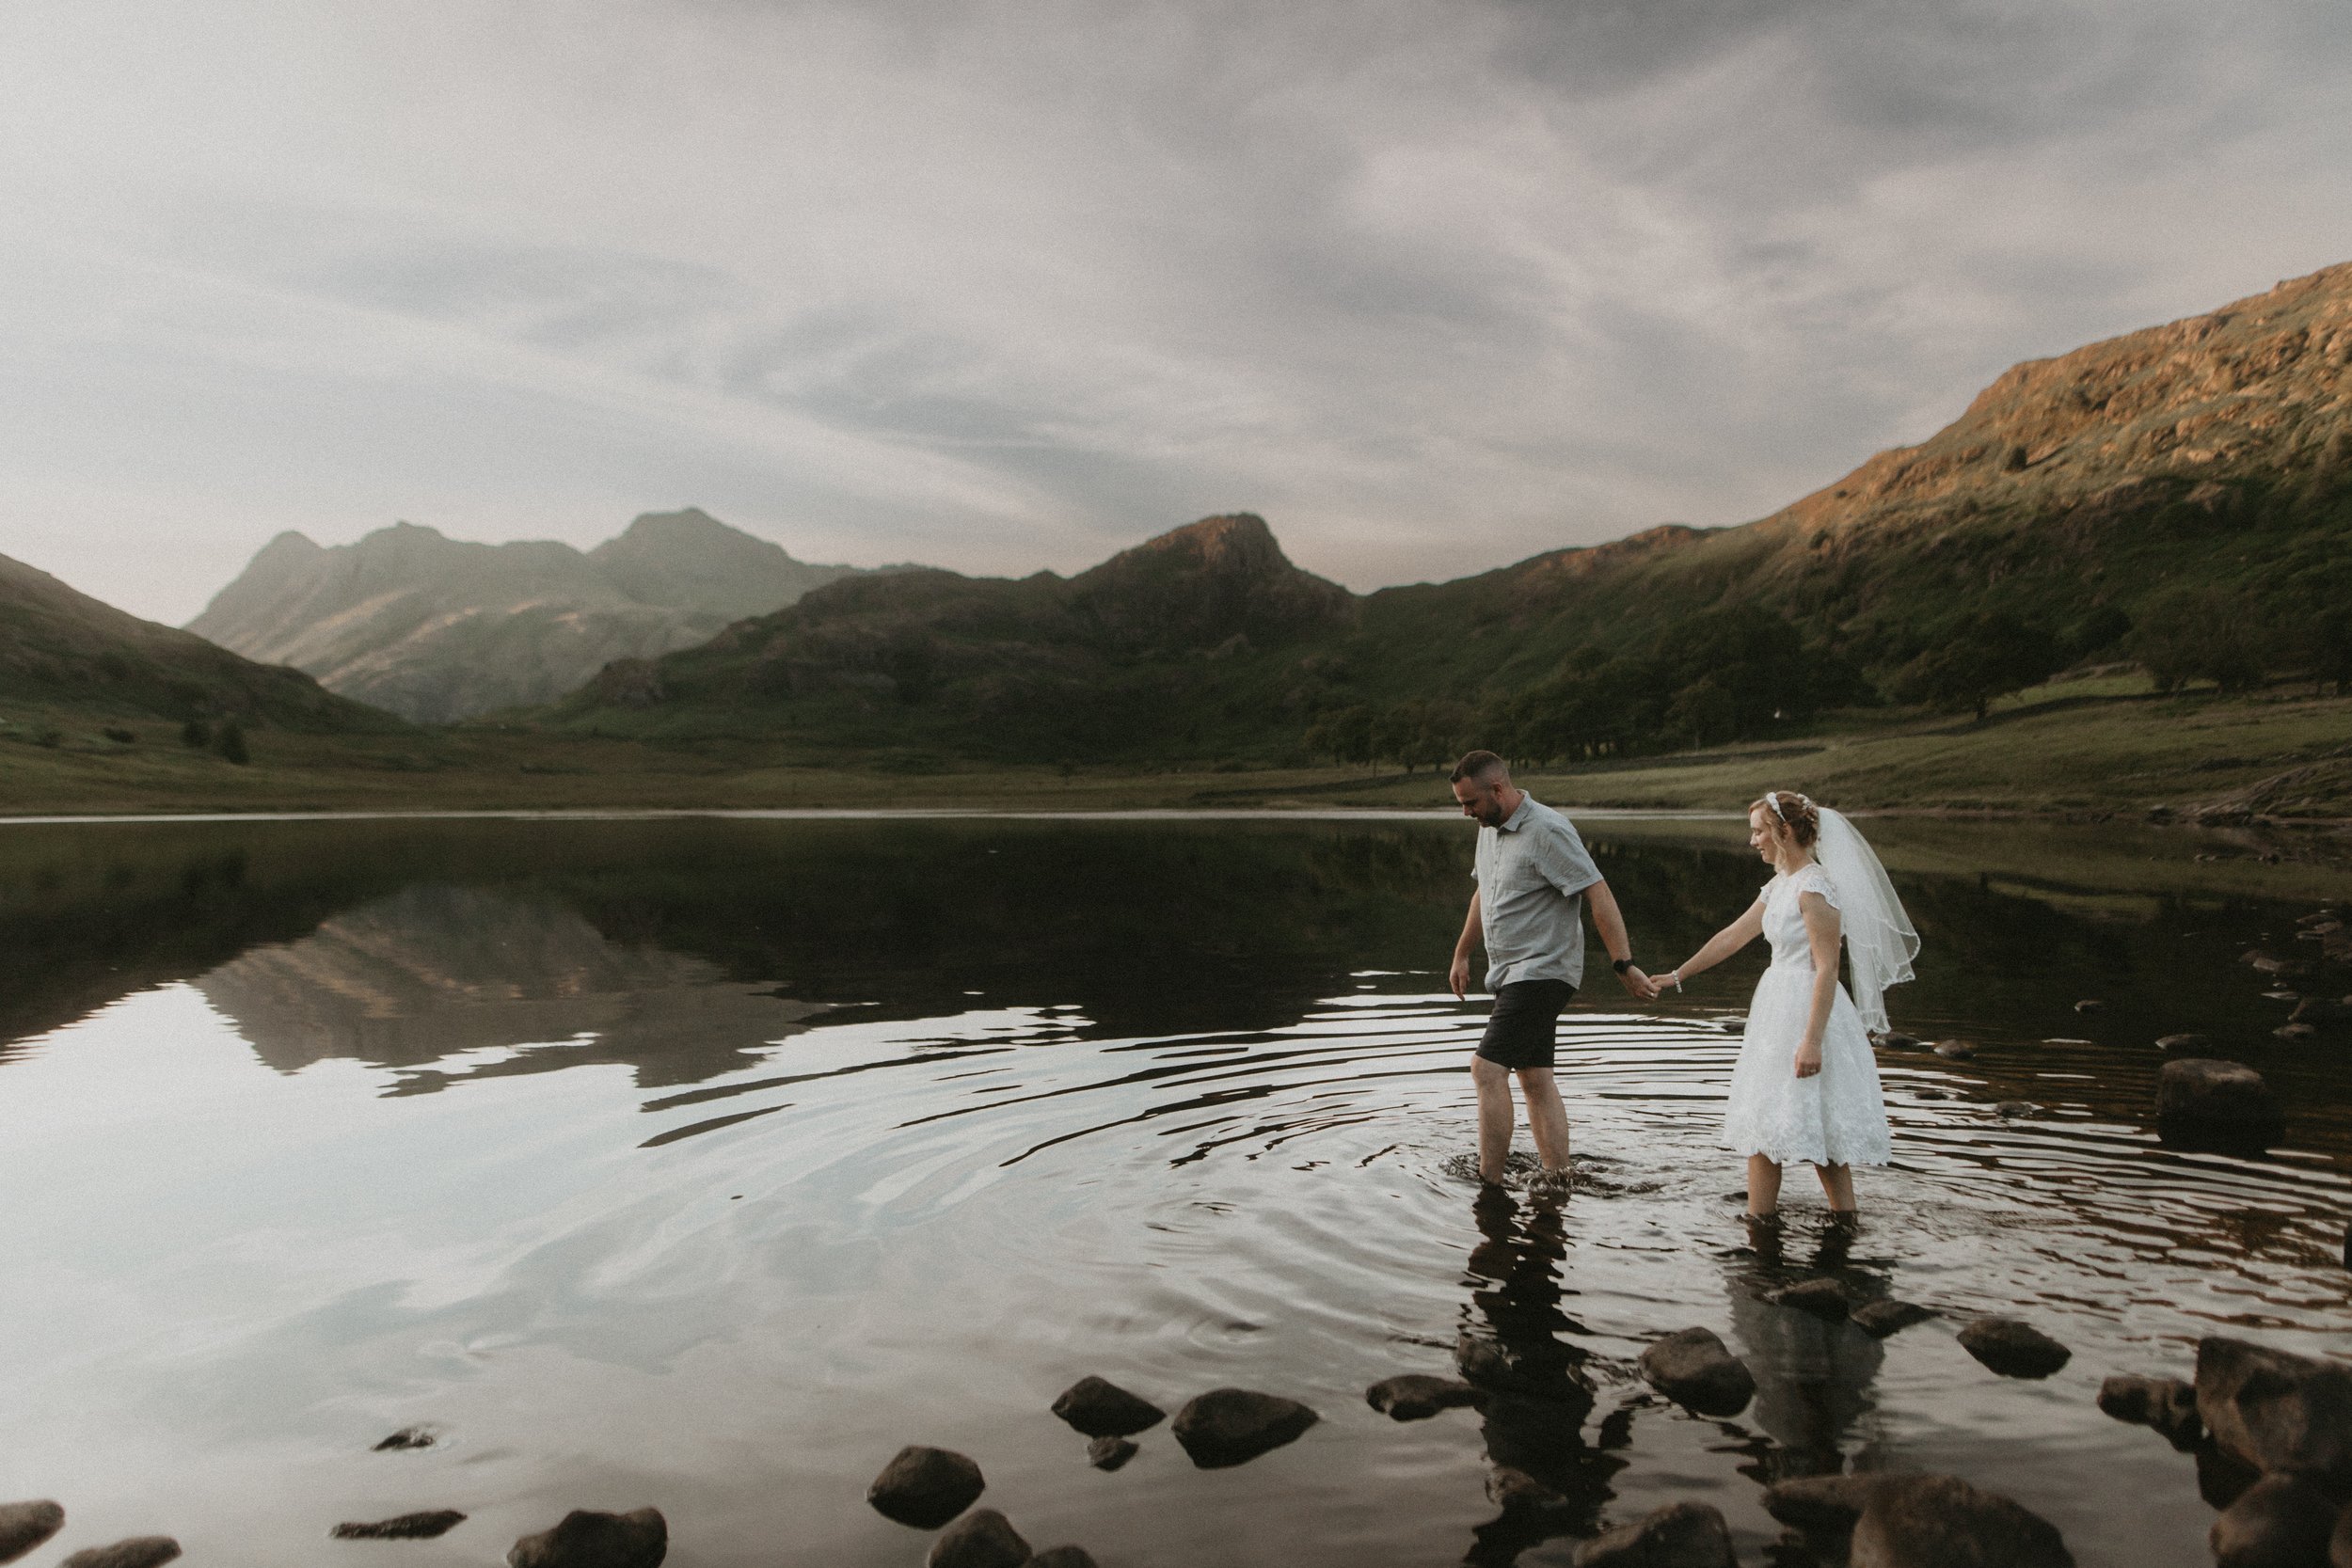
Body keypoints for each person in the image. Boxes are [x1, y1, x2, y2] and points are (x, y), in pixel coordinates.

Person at [1653, 791, 1918, 1222]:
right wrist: (1678, 975)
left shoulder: (1815, 888)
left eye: (1759, 831)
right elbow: (1733, 936)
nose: (1753, 840)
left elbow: (1827, 967)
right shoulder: (1779, 885)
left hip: (1809, 1011)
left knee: (1824, 1132)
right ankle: (1766, 1224)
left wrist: (1811, 1041)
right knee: (1766, 1124)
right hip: (1775, 1010)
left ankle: (1828, 1223)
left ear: (1786, 831)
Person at [1447, 751, 1657, 1189]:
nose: (1466, 812)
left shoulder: (1548, 829)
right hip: (1509, 974)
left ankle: (1489, 1184)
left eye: (1470, 802)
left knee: (1486, 1069)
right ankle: (1558, 1175)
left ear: (1497, 789)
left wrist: (1623, 963)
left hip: (1543, 971)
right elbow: (1484, 892)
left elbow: (1598, 892)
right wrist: (1462, 952)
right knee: (1535, 1077)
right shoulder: (1489, 829)